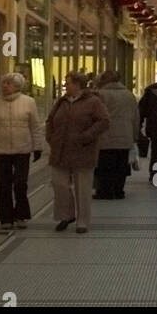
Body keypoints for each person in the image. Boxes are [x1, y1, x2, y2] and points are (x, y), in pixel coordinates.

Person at [45, 71, 110, 233]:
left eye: (68, 83)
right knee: (59, 185)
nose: (65, 86)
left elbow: (104, 121)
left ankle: (82, 221)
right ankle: (65, 215)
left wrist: (87, 136)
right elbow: (50, 120)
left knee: (83, 187)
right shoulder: (62, 101)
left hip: (83, 150)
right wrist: (51, 137)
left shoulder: (93, 102)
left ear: (77, 85)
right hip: (60, 150)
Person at [0, 73, 43, 230]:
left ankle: (21, 214)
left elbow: (35, 127)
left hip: (22, 149)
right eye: (3, 83)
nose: (4, 86)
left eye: (8, 83)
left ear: (17, 86)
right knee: (3, 185)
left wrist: (38, 147)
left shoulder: (29, 102)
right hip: (0, 150)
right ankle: (6, 218)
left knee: (20, 183)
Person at [95, 69, 140, 199]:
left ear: (105, 80)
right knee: (121, 165)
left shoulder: (100, 95)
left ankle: (106, 191)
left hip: (105, 137)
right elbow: (136, 116)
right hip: (125, 136)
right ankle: (119, 190)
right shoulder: (129, 95)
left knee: (105, 166)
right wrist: (135, 135)